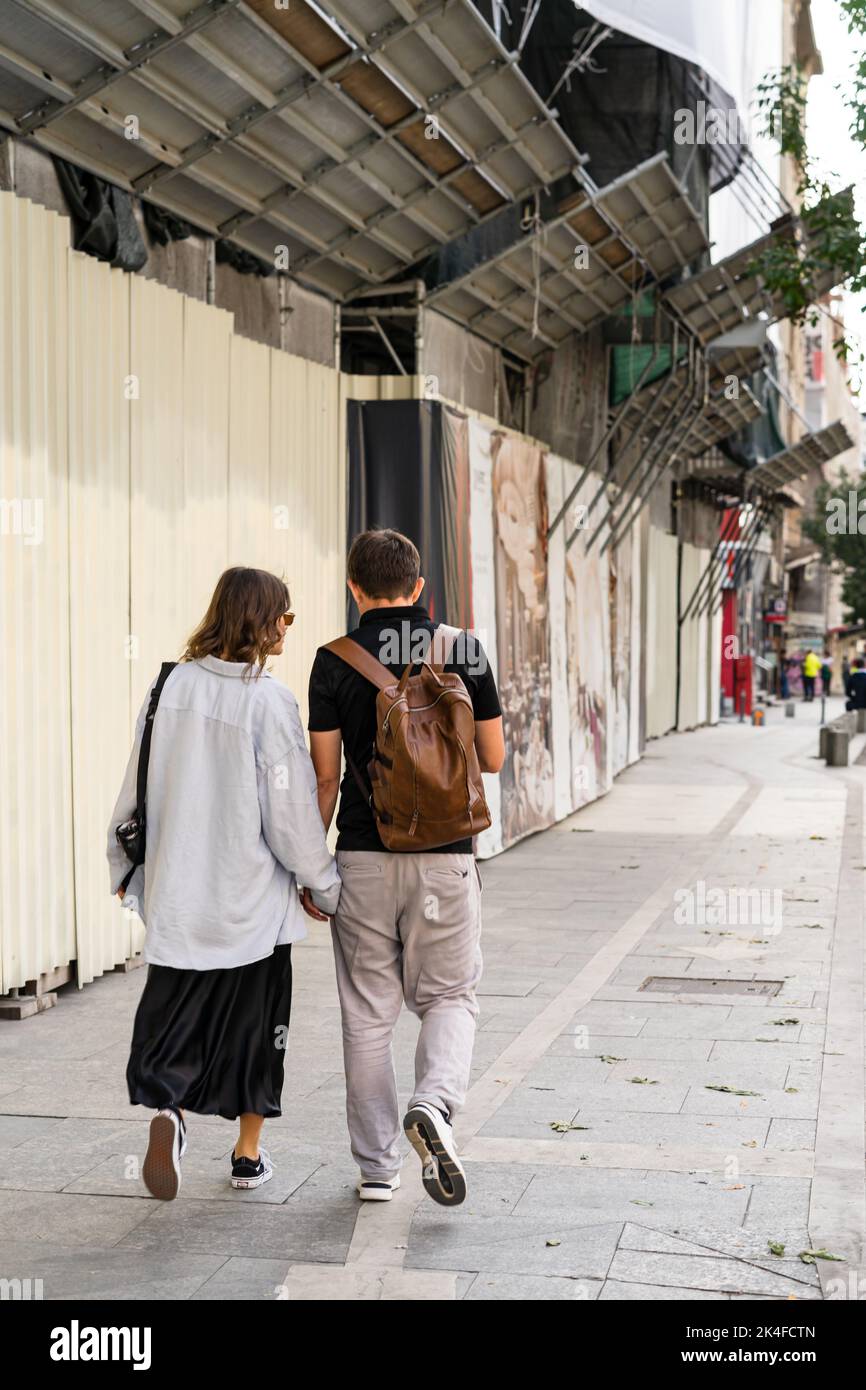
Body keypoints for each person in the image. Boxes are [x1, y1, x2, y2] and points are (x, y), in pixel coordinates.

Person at [107, 568, 341, 1201]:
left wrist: (121, 865)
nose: (288, 628)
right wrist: (324, 882)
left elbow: (136, 781)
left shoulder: (168, 686)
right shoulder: (268, 700)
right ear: (261, 621)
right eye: (285, 618)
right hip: (250, 904)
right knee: (256, 1028)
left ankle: (169, 1114)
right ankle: (246, 1154)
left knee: (177, 1015)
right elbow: (290, 816)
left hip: (180, 897)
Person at [306, 529, 505, 1207]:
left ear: (355, 588)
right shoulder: (464, 650)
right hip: (446, 861)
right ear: (419, 587)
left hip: (362, 858)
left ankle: (378, 1169)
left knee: (367, 1017)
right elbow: (495, 757)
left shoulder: (332, 661)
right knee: (449, 996)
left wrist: (312, 869)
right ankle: (436, 1107)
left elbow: (325, 779)